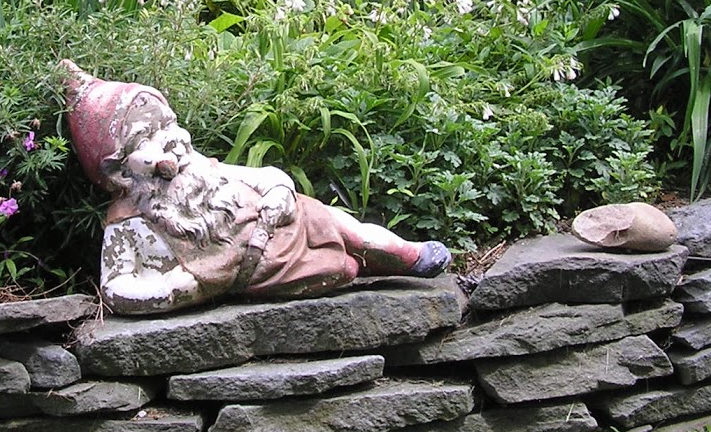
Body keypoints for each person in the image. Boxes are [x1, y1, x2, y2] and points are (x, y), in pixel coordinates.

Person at [60, 60, 451, 315]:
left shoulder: (200, 170)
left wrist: (278, 190)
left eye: (166, 125)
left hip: (287, 218)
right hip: (259, 269)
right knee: (344, 268)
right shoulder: (128, 222)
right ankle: (354, 264)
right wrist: (178, 288)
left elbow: (261, 175)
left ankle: (404, 254)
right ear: (119, 171)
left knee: (354, 232)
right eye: (148, 137)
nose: (167, 142)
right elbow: (116, 288)